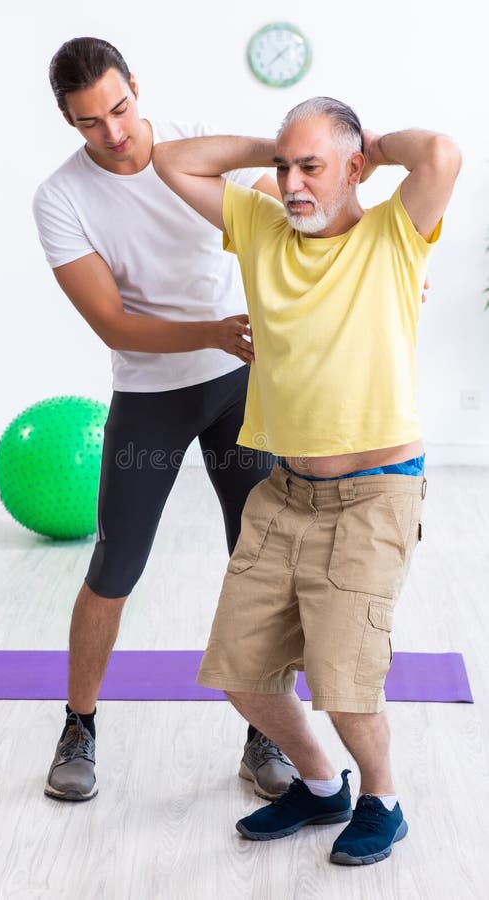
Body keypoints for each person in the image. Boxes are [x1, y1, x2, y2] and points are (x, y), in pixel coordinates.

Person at [153, 97, 460, 865]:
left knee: (343, 680)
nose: (290, 183)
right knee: (242, 673)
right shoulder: (260, 227)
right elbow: (171, 161)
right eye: (283, 168)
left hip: (376, 493)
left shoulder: (393, 234)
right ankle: (322, 786)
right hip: (284, 492)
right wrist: (279, 147)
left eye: (311, 167)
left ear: (353, 169)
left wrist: (371, 145)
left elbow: (441, 155)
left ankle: (382, 801)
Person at [32, 36, 299, 803]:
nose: (113, 132)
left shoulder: (198, 142)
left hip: (240, 388)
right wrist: (213, 332)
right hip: (152, 394)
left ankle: (267, 733)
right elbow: (113, 323)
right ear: (68, 120)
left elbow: (294, 210)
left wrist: (378, 261)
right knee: (115, 566)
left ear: (136, 88)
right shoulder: (61, 198)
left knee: (259, 566)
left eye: (119, 108)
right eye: (90, 122)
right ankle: (79, 724)